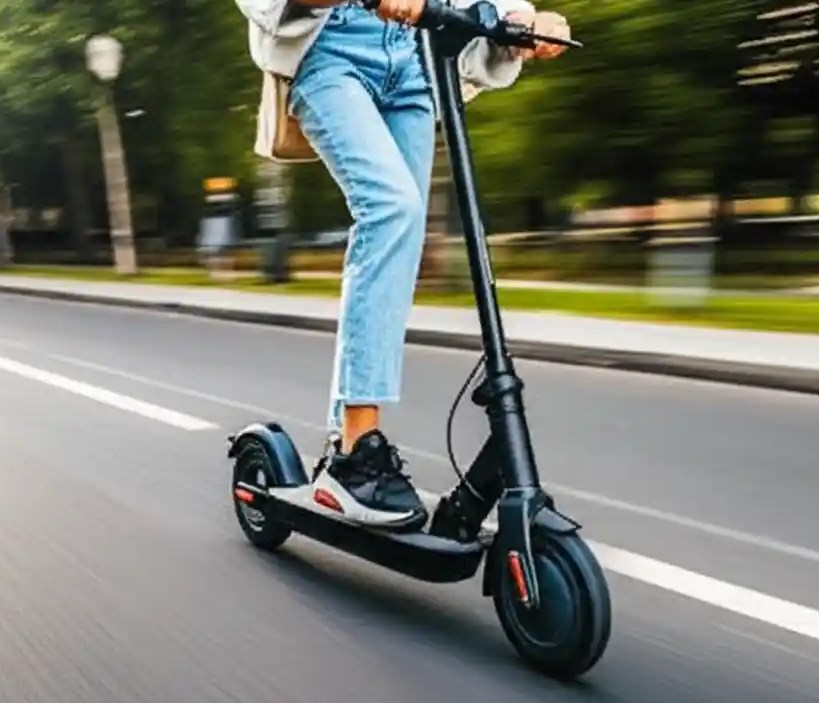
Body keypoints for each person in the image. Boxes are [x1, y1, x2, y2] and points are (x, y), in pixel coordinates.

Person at [236, 0, 570, 530]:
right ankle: (355, 457)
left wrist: (521, 22)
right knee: (392, 209)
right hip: (332, 52)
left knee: (401, 233)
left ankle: (342, 442)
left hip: (414, 61)